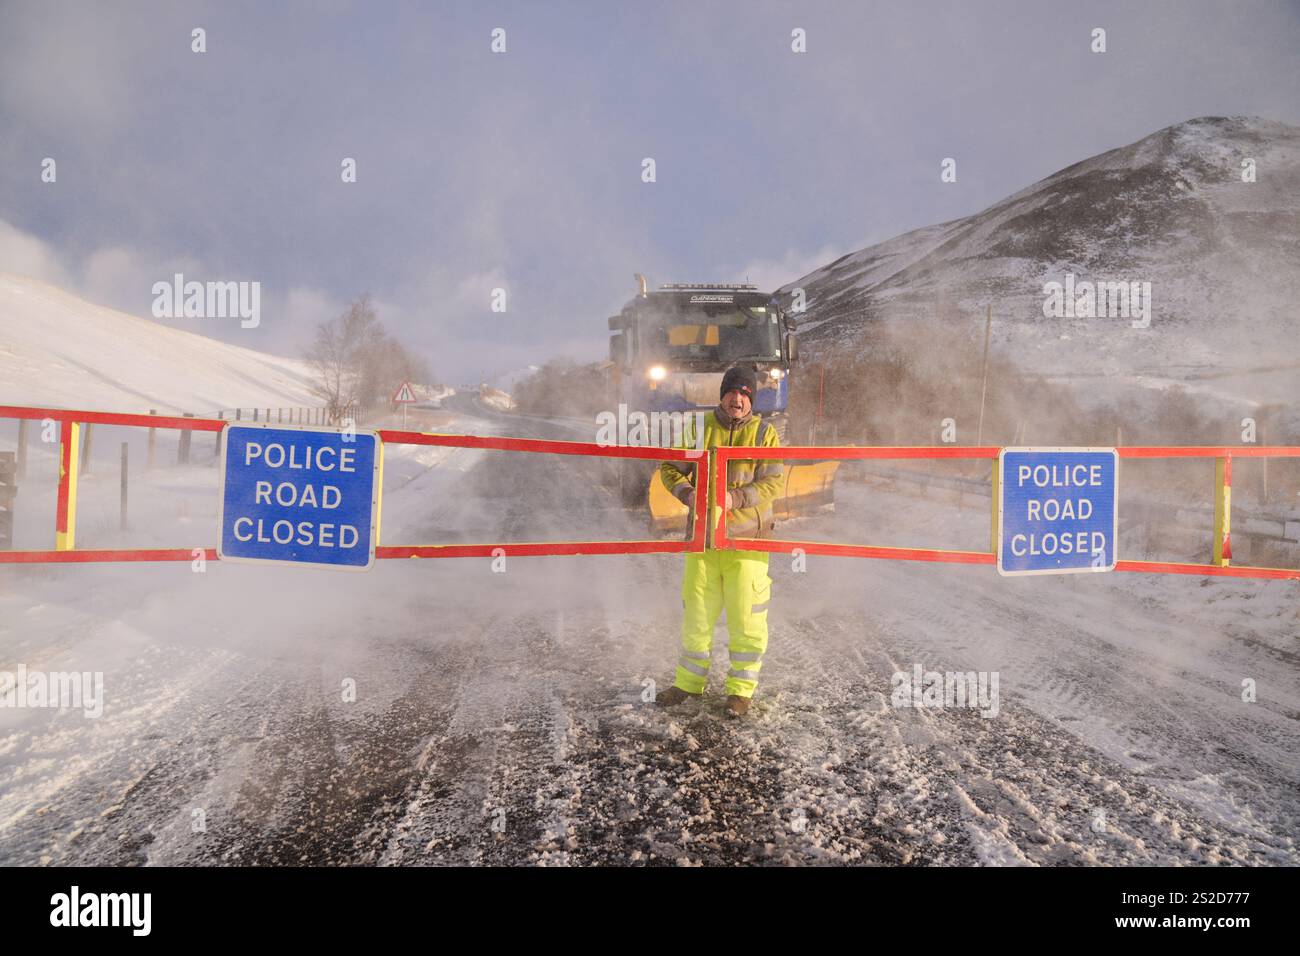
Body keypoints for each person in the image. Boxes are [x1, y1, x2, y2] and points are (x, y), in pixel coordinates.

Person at [656, 365, 783, 717]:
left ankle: (740, 691)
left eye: (744, 394)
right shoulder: (697, 429)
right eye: (732, 392)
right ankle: (688, 683)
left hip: (746, 544)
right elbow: (669, 467)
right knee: (696, 616)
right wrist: (688, 493)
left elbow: (774, 482)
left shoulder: (764, 434)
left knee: (747, 619)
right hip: (703, 540)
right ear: (722, 395)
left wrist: (736, 499)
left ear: (752, 399)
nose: (737, 399)